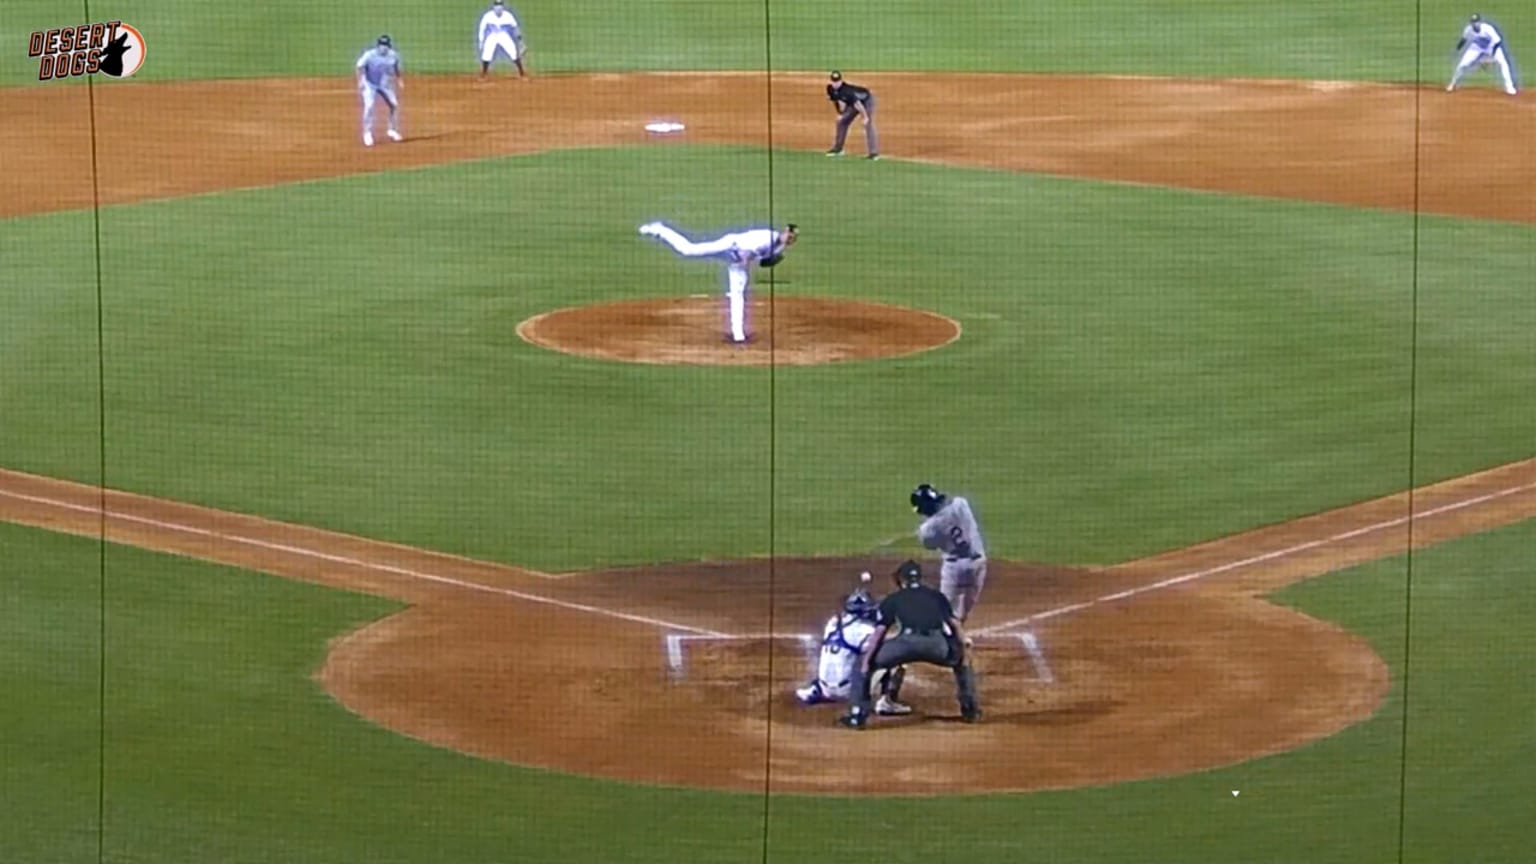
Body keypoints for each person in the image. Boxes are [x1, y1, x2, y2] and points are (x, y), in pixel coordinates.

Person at [839, 560, 980, 729]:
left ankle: (857, 715)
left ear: (901, 580)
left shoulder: (893, 599)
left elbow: (879, 633)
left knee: (861, 663)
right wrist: (963, 650)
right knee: (962, 662)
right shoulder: (936, 596)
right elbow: (955, 626)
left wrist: (867, 661)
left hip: (904, 644)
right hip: (937, 644)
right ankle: (970, 711)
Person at [637, 221, 799, 344]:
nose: (790, 239)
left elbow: (761, 261)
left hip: (738, 262)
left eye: (793, 239)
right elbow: (745, 254)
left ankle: (738, 334)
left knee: (738, 294)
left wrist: (762, 262)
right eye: (790, 236)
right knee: (688, 250)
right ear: (785, 231)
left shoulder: (780, 247)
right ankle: (659, 229)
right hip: (728, 247)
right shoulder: (766, 237)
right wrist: (745, 264)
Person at [912, 483, 988, 622]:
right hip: (978, 562)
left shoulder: (927, 530)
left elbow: (931, 545)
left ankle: (943, 637)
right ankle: (959, 631)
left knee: (945, 607)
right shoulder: (961, 504)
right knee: (965, 608)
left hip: (954, 568)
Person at [794, 588, 880, 705]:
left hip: (824, 689)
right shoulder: (867, 630)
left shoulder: (832, 623)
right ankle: (884, 701)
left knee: (842, 654)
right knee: (884, 657)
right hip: (847, 692)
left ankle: (815, 689)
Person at [1447, 13, 1519, 95]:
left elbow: (1497, 42)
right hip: (1476, 48)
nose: (1475, 24)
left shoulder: (1488, 29)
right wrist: (1456, 50)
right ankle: (1452, 84)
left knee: (1503, 64)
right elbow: (1463, 40)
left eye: (1476, 22)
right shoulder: (1468, 29)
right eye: (1473, 22)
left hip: (1491, 46)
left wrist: (1490, 56)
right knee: (1462, 65)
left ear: (1480, 22)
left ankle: (1509, 87)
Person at [355, 35, 403, 147]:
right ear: (378, 45)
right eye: (382, 45)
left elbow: (396, 66)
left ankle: (392, 130)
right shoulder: (369, 55)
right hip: (369, 84)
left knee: (394, 105)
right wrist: (360, 81)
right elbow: (359, 66)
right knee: (369, 106)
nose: (384, 48)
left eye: (386, 45)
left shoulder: (392, 55)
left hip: (384, 83)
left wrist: (399, 79)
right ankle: (367, 133)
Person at [825, 71, 880, 160]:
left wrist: (865, 117)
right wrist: (841, 114)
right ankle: (838, 149)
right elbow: (837, 101)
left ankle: (873, 153)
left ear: (841, 81)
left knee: (868, 124)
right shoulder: (830, 89)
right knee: (842, 122)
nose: (835, 83)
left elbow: (858, 105)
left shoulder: (847, 91)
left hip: (866, 100)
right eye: (834, 81)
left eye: (837, 81)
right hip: (853, 103)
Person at [477, 0, 528, 80]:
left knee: (513, 52)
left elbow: (515, 28)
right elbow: (482, 29)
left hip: (503, 36)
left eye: (500, 4)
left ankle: (522, 73)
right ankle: (484, 74)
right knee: (487, 54)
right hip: (492, 36)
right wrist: (481, 41)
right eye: (497, 4)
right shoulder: (488, 16)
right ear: (493, 6)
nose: (498, 7)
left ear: (503, 6)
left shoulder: (508, 16)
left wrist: (521, 42)